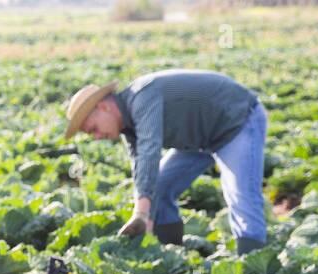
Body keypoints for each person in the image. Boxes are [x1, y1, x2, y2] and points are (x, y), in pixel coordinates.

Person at [64, 70, 268, 253]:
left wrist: (141, 212)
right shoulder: (127, 126)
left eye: (93, 129)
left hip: (236, 120)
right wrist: (146, 220)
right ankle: (171, 257)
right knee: (159, 186)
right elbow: (140, 167)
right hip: (199, 139)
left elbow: (149, 150)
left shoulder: (142, 96)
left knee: (241, 196)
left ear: (103, 107)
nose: (97, 137)